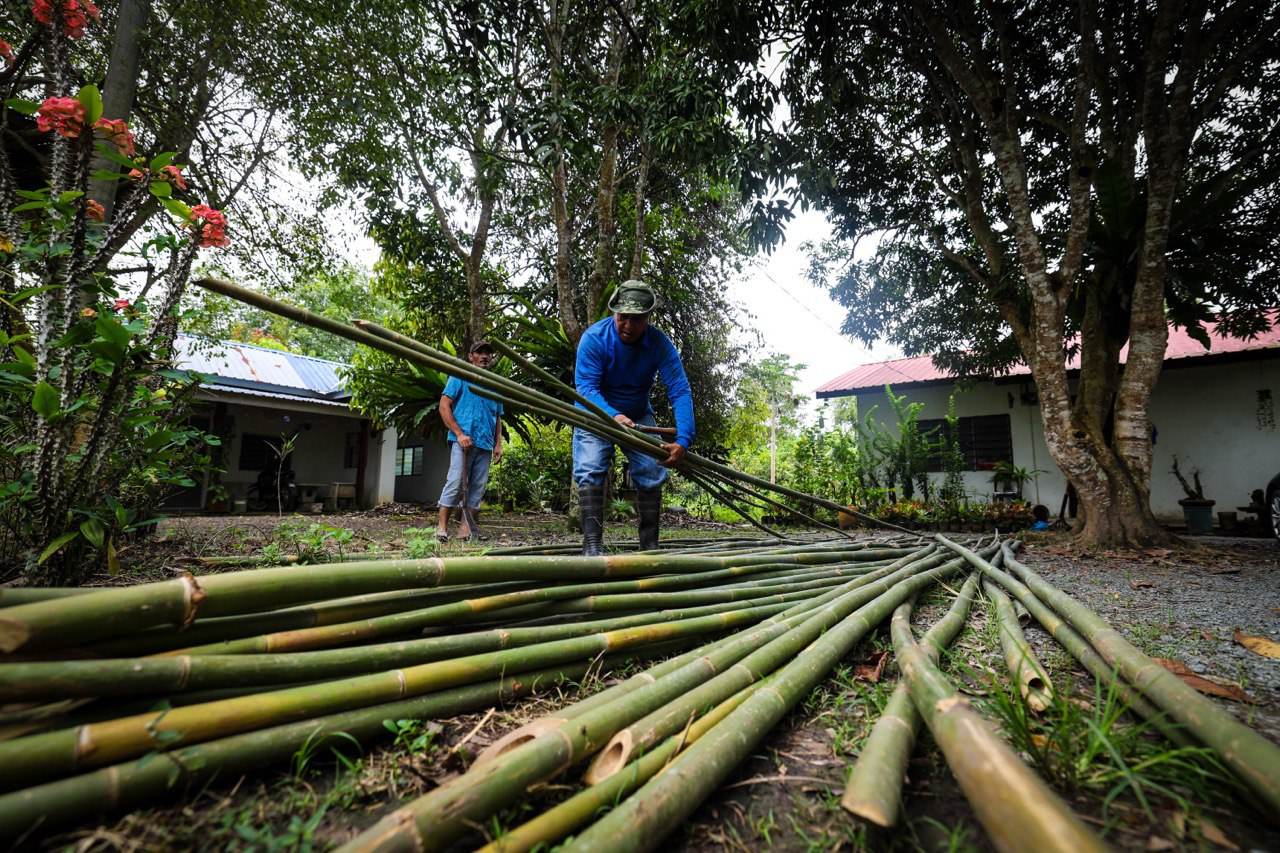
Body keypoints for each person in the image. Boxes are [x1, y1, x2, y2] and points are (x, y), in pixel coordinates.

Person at [573, 280, 694, 555]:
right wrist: (613, 416)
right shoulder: (594, 339)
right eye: (622, 317)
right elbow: (587, 388)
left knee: (652, 470)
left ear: (648, 318)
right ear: (614, 313)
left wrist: (683, 439)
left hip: (638, 413)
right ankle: (592, 547)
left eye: (636, 319)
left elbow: (680, 390)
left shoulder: (659, 344)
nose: (627, 325)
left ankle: (649, 547)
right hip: (596, 414)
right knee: (590, 468)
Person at [436, 340, 503, 543]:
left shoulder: (494, 384)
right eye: (479, 352)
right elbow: (444, 406)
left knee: (477, 487)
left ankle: (465, 531)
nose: (484, 356)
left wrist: (498, 444)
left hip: (484, 443)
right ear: (470, 356)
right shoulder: (460, 376)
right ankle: (441, 529)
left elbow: (498, 416)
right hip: (462, 441)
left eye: (488, 353)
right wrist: (458, 433)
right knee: (456, 482)